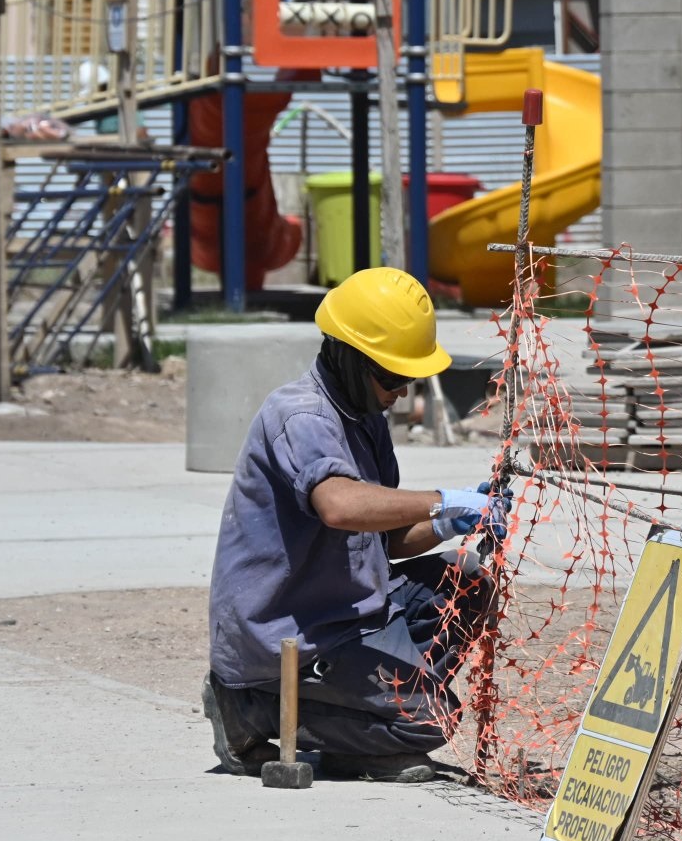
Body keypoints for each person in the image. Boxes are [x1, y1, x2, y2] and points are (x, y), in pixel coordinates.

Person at [202, 267, 506, 783]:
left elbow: (383, 541)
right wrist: (438, 498)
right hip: (286, 637)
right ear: (348, 355)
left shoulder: (366, 420)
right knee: (432, 718)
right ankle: (247, 707)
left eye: (408, 378)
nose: (402, 392)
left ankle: (364, 728)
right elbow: (340, 507)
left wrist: (447, 521)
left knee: (466, 579)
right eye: (391, 377)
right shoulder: (302, 417)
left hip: (343, 613)